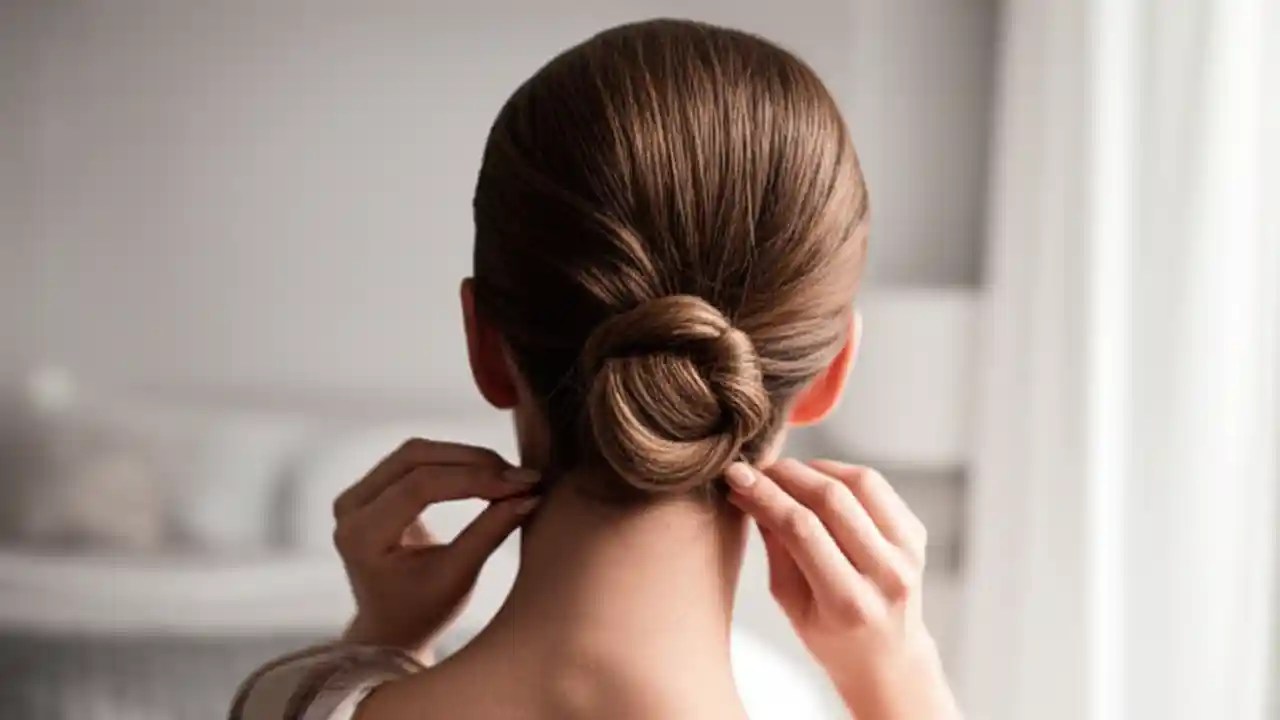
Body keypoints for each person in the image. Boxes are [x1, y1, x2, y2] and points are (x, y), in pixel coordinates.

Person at [231, 18, 961, 720]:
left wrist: (381, 641)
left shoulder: (286, 704)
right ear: (831, 373)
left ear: (485, 345)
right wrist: (900, 676)